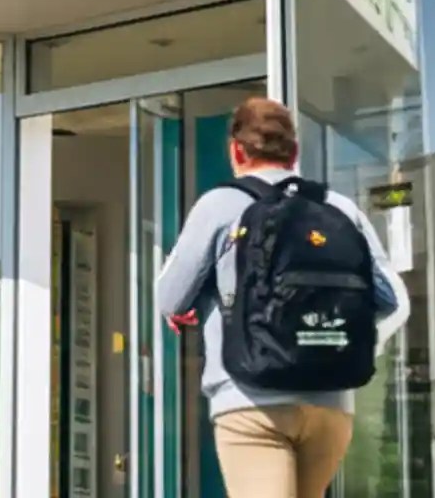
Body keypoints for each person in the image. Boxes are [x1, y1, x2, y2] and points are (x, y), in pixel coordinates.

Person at [156, 97, 409, 498]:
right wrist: (336, 340)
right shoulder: (337, 206)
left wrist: (193, 305)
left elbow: (169, 297)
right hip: (331, 405)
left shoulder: (220, 204)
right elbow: (393, 299)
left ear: (236, 150)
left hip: (251, 401)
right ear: (293, 152)